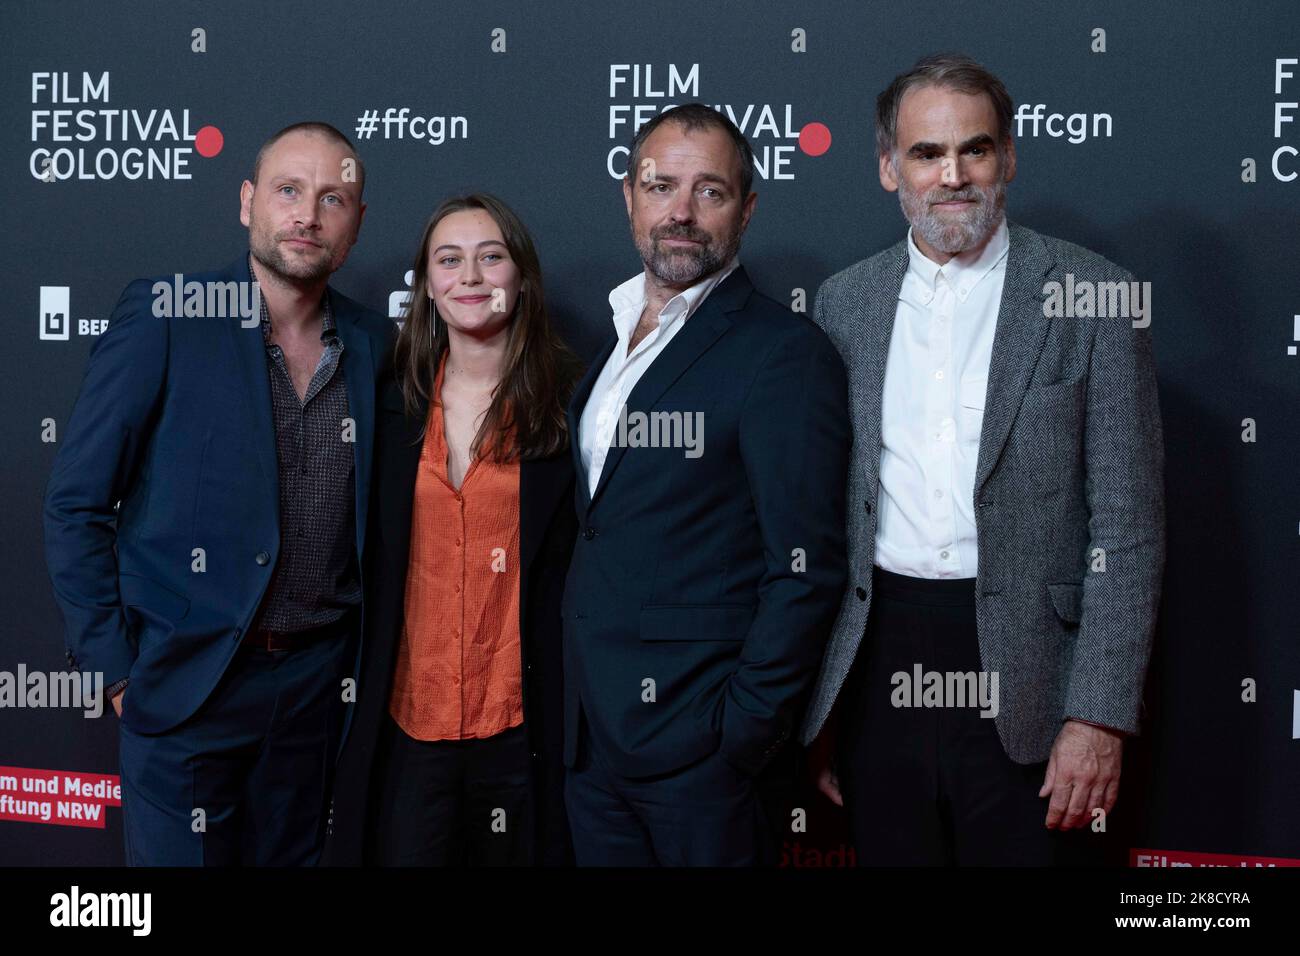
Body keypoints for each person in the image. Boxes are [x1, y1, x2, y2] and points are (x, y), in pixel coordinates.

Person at [802, 53, 1166, 865]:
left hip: (1033, 672)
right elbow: (830, 518)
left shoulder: (1093, 294)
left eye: (975, 149)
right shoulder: (843, 304)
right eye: (927, 154)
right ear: (890, 168)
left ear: (1009, 156)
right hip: (878, 664)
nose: (952, 175)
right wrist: (821, 713)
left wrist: (1099, 716)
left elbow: (1129, 526)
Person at [44, 122, 394, 865]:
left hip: (316, 691)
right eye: (288, 191)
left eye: (333, 198)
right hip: (184, 686)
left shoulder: (375, 347)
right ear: (247, 203)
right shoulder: (167, 316)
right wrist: (116, 672)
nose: (306, 214)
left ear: (357, 226)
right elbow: (76, 505)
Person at [562, 103, 851, 866]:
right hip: (590, 746)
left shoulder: (782, 353)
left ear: (747, 209)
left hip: (703, 760)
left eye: (711, 191)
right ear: (629, 197)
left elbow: (806, 568)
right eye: (661, 187)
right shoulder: (609, 345)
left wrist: (742, 733)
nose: (681, 212)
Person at [324, 194, 582, 866]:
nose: (470, 276)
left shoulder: (577, 404)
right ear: (428, 286)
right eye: (449, 260)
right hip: (410, 728)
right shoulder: (384, 405)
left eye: (490, 257)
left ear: (520, 278)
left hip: (526, 730)